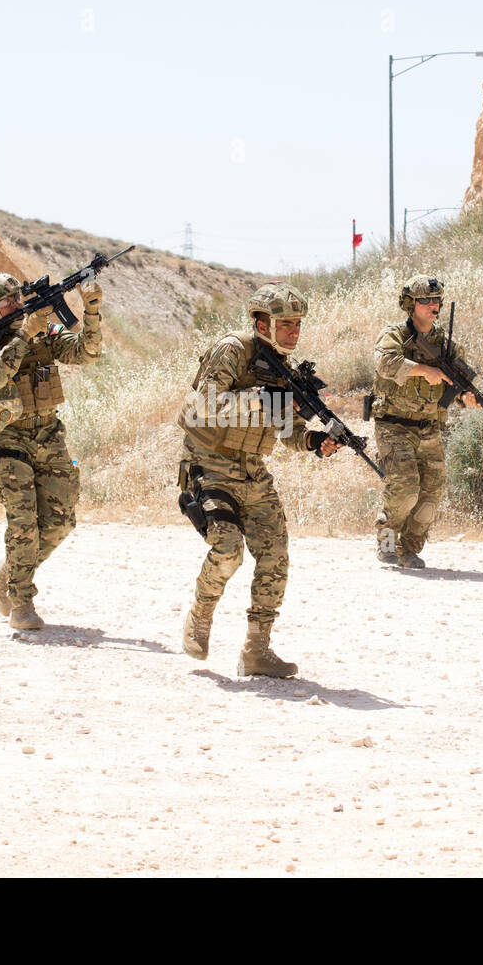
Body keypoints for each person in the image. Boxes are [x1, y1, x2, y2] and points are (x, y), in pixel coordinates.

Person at [177, 283, 341, 677]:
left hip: (252, 469)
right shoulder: (233, 350)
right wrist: (269, 400)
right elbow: (206, 405)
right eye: (285, 324)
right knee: (228, 548)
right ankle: (200, 616)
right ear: (261, 322)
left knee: (275, 555)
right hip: (210, 463)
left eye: (297, 324)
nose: (294, 332)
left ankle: (256, 649)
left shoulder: (284, 367)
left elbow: (287, 429)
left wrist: (316, 441)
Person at [0, 271, 102, 633]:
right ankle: (21, 603)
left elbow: (86, 353)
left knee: (60, 521)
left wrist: (92, 312)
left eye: (16, 299)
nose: (16, 305)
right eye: (6, 301)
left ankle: (7, 573)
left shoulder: (43, 332)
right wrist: (26, 332)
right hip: (10, 442)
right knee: (24, 523)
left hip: (50, 436)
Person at [370, 274, 479, 568]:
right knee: (405, 490)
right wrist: (422, 370)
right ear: (410, 304)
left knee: (430, 495)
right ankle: (387, 544)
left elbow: (455, 387)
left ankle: (409, 550)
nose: (433, 305)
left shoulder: (446, 345)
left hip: (429, 427)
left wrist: (464, 398)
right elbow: (384, 364)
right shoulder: (394, 335)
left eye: (437, 300)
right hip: (394, 424)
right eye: (426, 300)